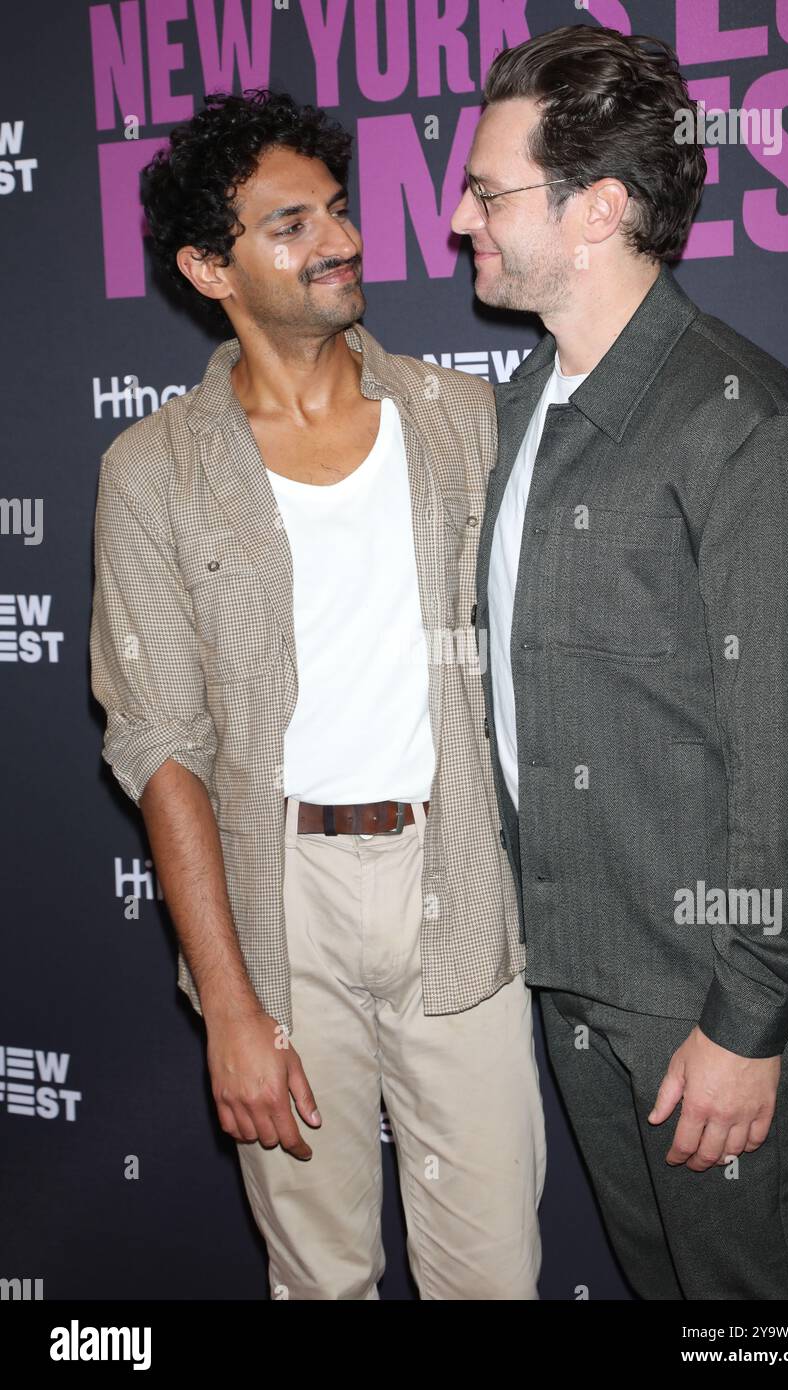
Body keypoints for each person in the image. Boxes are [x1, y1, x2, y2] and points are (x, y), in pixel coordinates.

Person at [89, 88, 545, 1300]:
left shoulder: (460, 419)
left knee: (491, 1274)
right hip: (277, 908)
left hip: (457, 887)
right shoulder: (151, 471)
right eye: (288, 224)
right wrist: (231, 1003)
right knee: (319, 1276)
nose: (337, 240)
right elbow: (160, 741)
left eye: (337, 210)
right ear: (207, 265)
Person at [451, 24, 788, 1300]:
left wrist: (748, 1022)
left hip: (713, 998)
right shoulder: (516, 412)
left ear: (599, 210)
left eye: (487, 191)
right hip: (573, 971)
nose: (458, 216)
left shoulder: (749, 432)